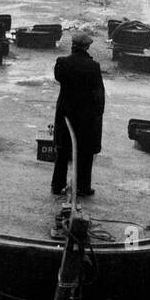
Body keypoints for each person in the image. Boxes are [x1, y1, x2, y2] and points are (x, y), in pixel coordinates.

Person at [51, 31, 104, 198]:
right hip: (85, 117)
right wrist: (97, 113)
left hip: (66, 114)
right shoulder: (93, 66)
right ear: (87, 47)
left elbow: (58, 77)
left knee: (62, 151)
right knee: (85, 153)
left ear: (73, 46)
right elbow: (98, 93)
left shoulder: (62, 63)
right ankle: (83, 187)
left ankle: (57, 185)